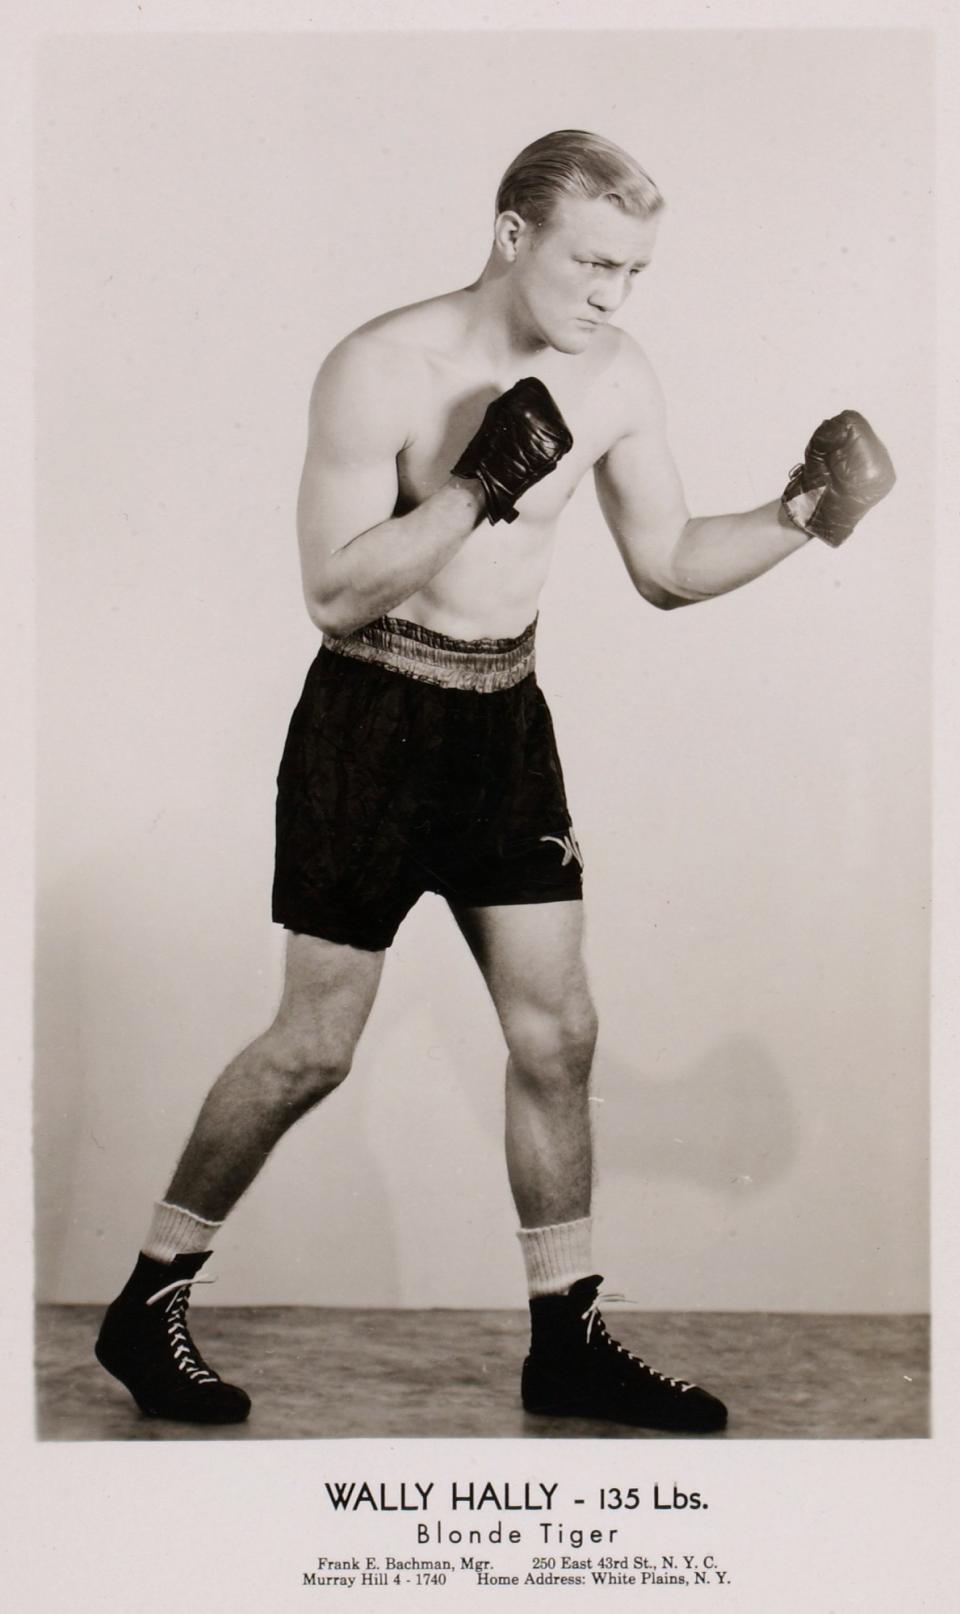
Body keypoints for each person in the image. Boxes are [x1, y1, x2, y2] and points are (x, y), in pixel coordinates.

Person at [95, 130, 894, 1433]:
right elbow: (333, 590)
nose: (608, 297)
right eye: (589, 262)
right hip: (373, 721)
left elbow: (670, 562)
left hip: (502, 726)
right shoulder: (382, 365)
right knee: (313, 1046)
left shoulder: (618, 374)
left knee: (557, 1033)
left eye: (632, 271)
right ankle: (148, 1298)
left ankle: (566, 1338)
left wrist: (806, 514)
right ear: (512, 233)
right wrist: (477, 486)